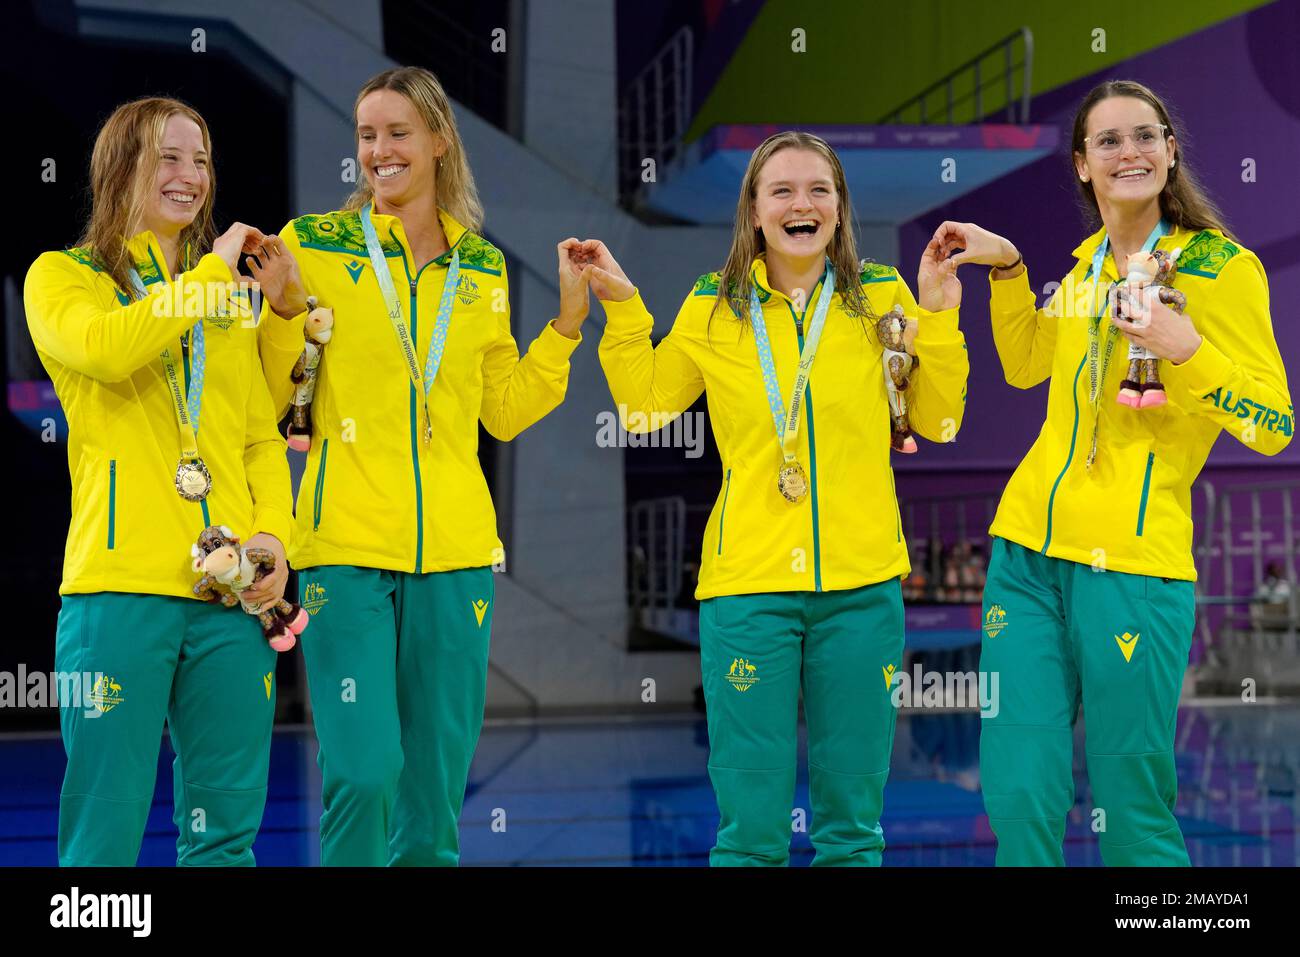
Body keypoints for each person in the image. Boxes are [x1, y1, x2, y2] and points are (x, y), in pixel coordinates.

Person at [933, 79, 1293, 865]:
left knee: (1133, 811)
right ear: (1083, 165)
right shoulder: (1087, 265)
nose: (1129, 151)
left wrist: (1185, 347)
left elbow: (1273, 425)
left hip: (1130, 564)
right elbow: (1028, 364)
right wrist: (1007, 271)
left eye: (1145, 136)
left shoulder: (1223, 269)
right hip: (1025, 553)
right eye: (1109, 141)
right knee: (1020, 793)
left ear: (1169, 153)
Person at [589, 130, 969, 865]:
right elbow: (643, 407)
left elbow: (937, 420)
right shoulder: (713, 304)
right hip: (748, 587)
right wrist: (626, 310)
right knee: (752, 831)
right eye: (783, 191)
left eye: (819, 189)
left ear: (840, 207)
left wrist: (942, 316)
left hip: (861, 585)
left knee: (853, 829)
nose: (803, 203)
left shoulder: (884, 298)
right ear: (755, 211)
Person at [252, 67, 593, 866]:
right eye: (367, 135)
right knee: (365, 772)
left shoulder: (481, 267)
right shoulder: (312, 244)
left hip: (456, 555)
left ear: (439, 139)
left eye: (397, 132)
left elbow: (501, 408)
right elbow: (270, 397)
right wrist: (280, 312)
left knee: (434, 793)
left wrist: (568, 326)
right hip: (345, 549)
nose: (379, 151)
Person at [24, 97, 294, 866]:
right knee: (102, 834)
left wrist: (274, 537)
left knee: (226, 836)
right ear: (120, 169)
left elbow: (255, 440)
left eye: (201, 159)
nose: (192, 176)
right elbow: (109, 350)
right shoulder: (63, 279)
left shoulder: (228, 307)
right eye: (168, 157)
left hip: (231, 596)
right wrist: (208, 279)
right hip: (119, 592)